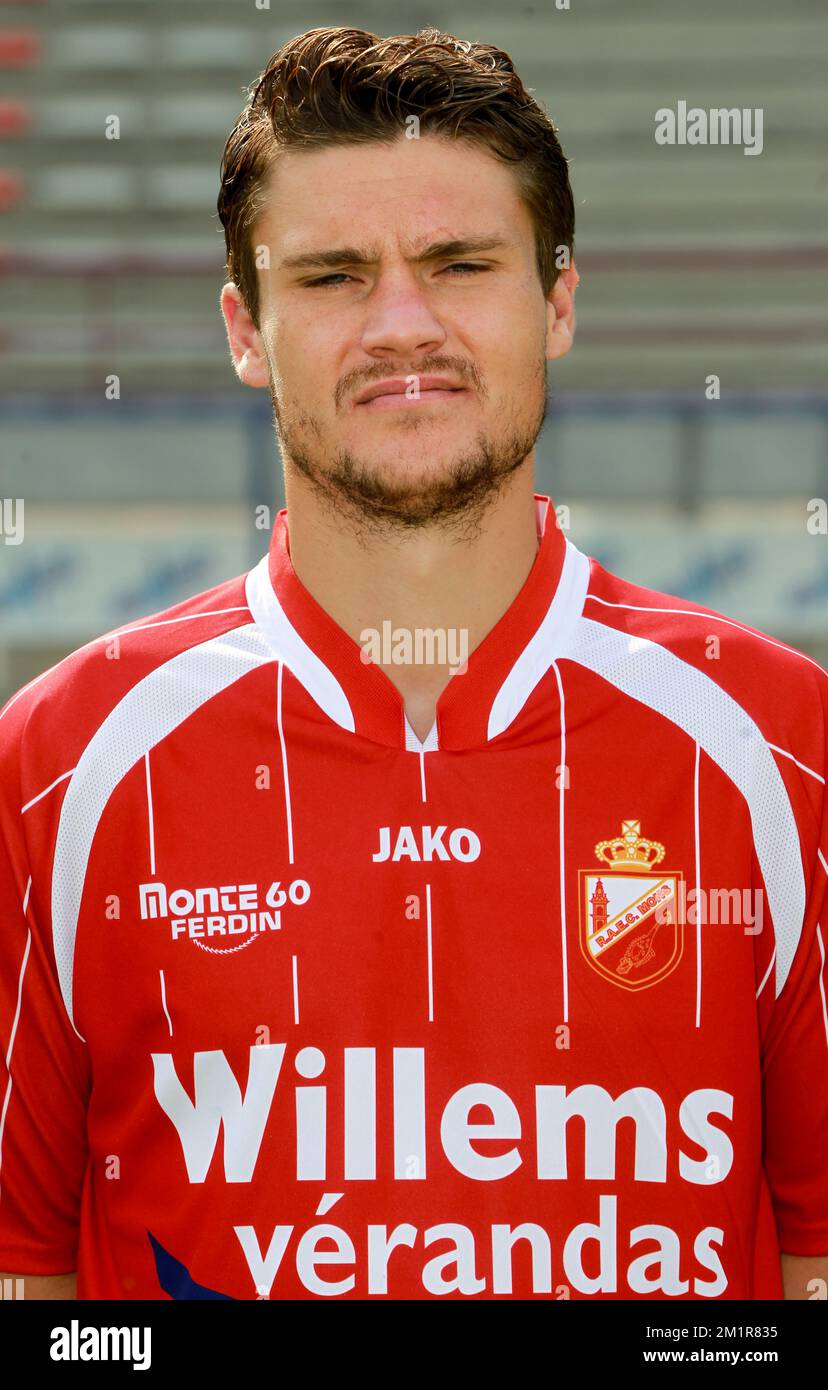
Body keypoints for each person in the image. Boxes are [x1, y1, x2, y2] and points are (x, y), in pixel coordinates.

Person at [0, 25, 826, 1302]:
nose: (402, 323)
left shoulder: (781, 742)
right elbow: (30, 1282)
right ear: (246, 329)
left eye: (459, 263)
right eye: (331, 275)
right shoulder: (61, 765)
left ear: (556, 300)